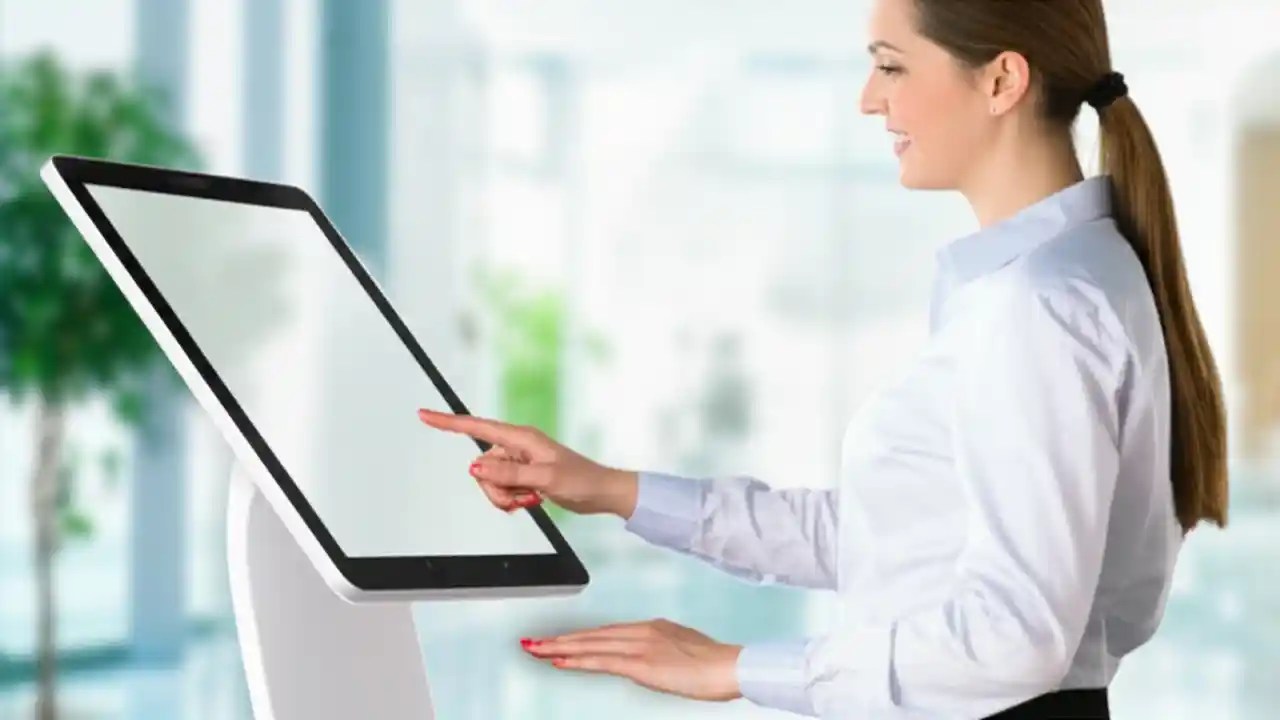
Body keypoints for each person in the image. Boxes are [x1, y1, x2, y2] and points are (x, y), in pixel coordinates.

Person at [417, 0, 1229, 716]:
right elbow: (898, 539)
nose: (870, 99)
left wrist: (735, 669)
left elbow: (1016, 637)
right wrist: (609, 490)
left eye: (891, 66)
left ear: (1001, 81)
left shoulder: (1039, 306)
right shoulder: (1061, 280)